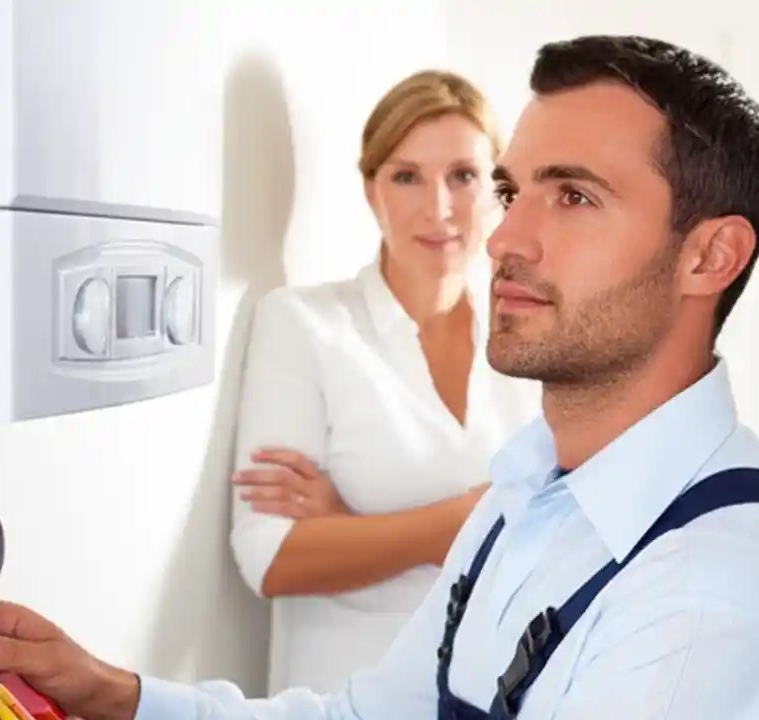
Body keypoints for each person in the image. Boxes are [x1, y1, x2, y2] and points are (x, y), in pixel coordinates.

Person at [0, 35, 759, 719]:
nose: (506, 238)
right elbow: (369, 714)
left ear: (709, 256)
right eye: (516, 191)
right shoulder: (525, 497)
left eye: (573, 196)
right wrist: (117, 696)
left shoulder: (711, 587)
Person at [227, 69, 541, 694]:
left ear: (497, 190)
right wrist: (468, 518)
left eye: (463, 175)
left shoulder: (526, 336)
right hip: (338, 698)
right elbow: (272, 558)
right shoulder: (303, 325)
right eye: (406, 176)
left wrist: (355, 529)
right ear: (372, 190)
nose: (438, 208)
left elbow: (560, 532)